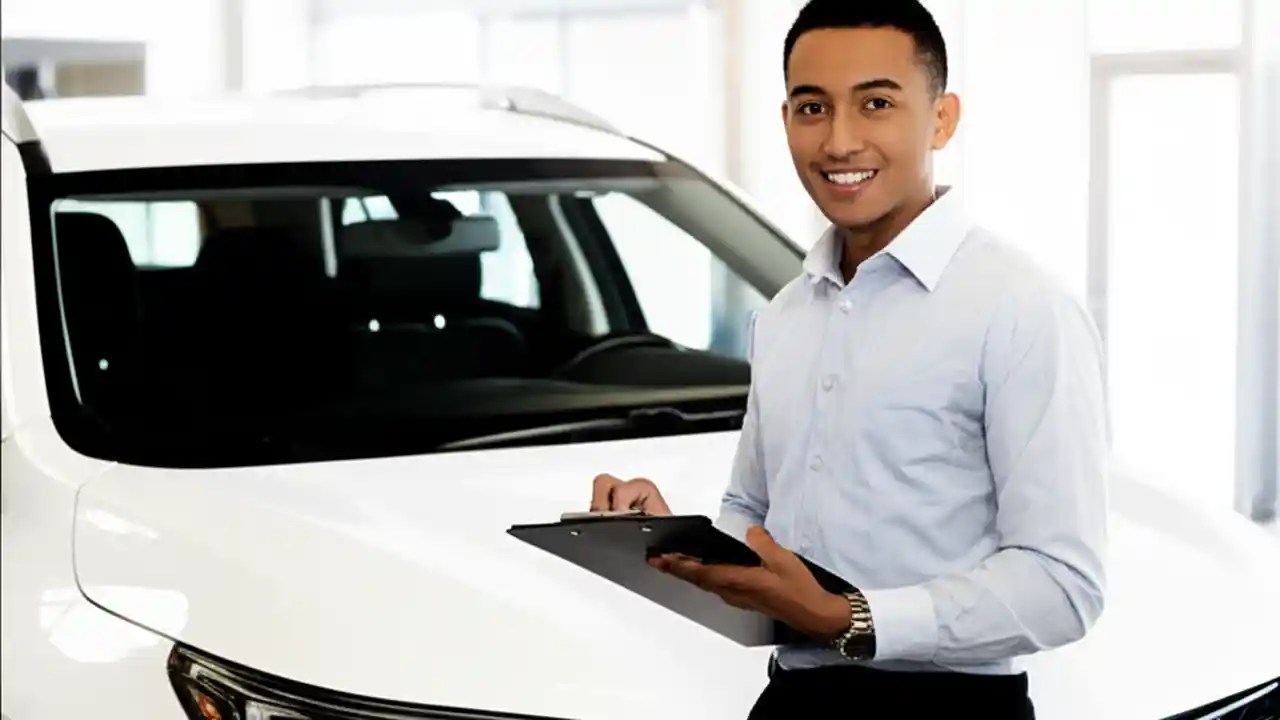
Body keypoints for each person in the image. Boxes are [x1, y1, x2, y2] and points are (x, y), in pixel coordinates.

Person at [589, 0, 1110, 717]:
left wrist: (850, 619)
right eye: (813, 108)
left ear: (941, 119)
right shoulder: (786, 315)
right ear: (786, 122)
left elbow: (1064, 585)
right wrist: (681, 543)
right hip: (792, 699)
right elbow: (753, 510)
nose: (839, 140)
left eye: (876, 103)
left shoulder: (1020, 308)